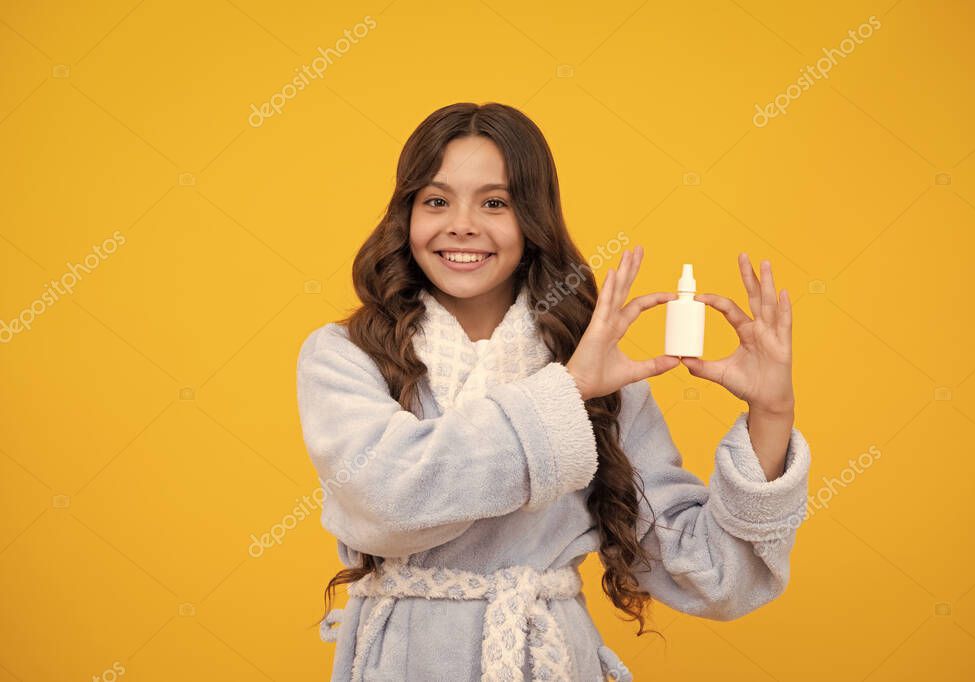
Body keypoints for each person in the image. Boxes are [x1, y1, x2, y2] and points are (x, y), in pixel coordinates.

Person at [296, 102, 811, 681]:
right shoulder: (345, 355)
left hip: (545, 659)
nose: (461, 224)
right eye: (436, 201)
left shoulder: (593, 370)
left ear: (533, 219)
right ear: (406, 215)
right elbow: (386, 499)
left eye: (495, 203)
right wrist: (567, 392)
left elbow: (716, 577)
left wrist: (771, 413)